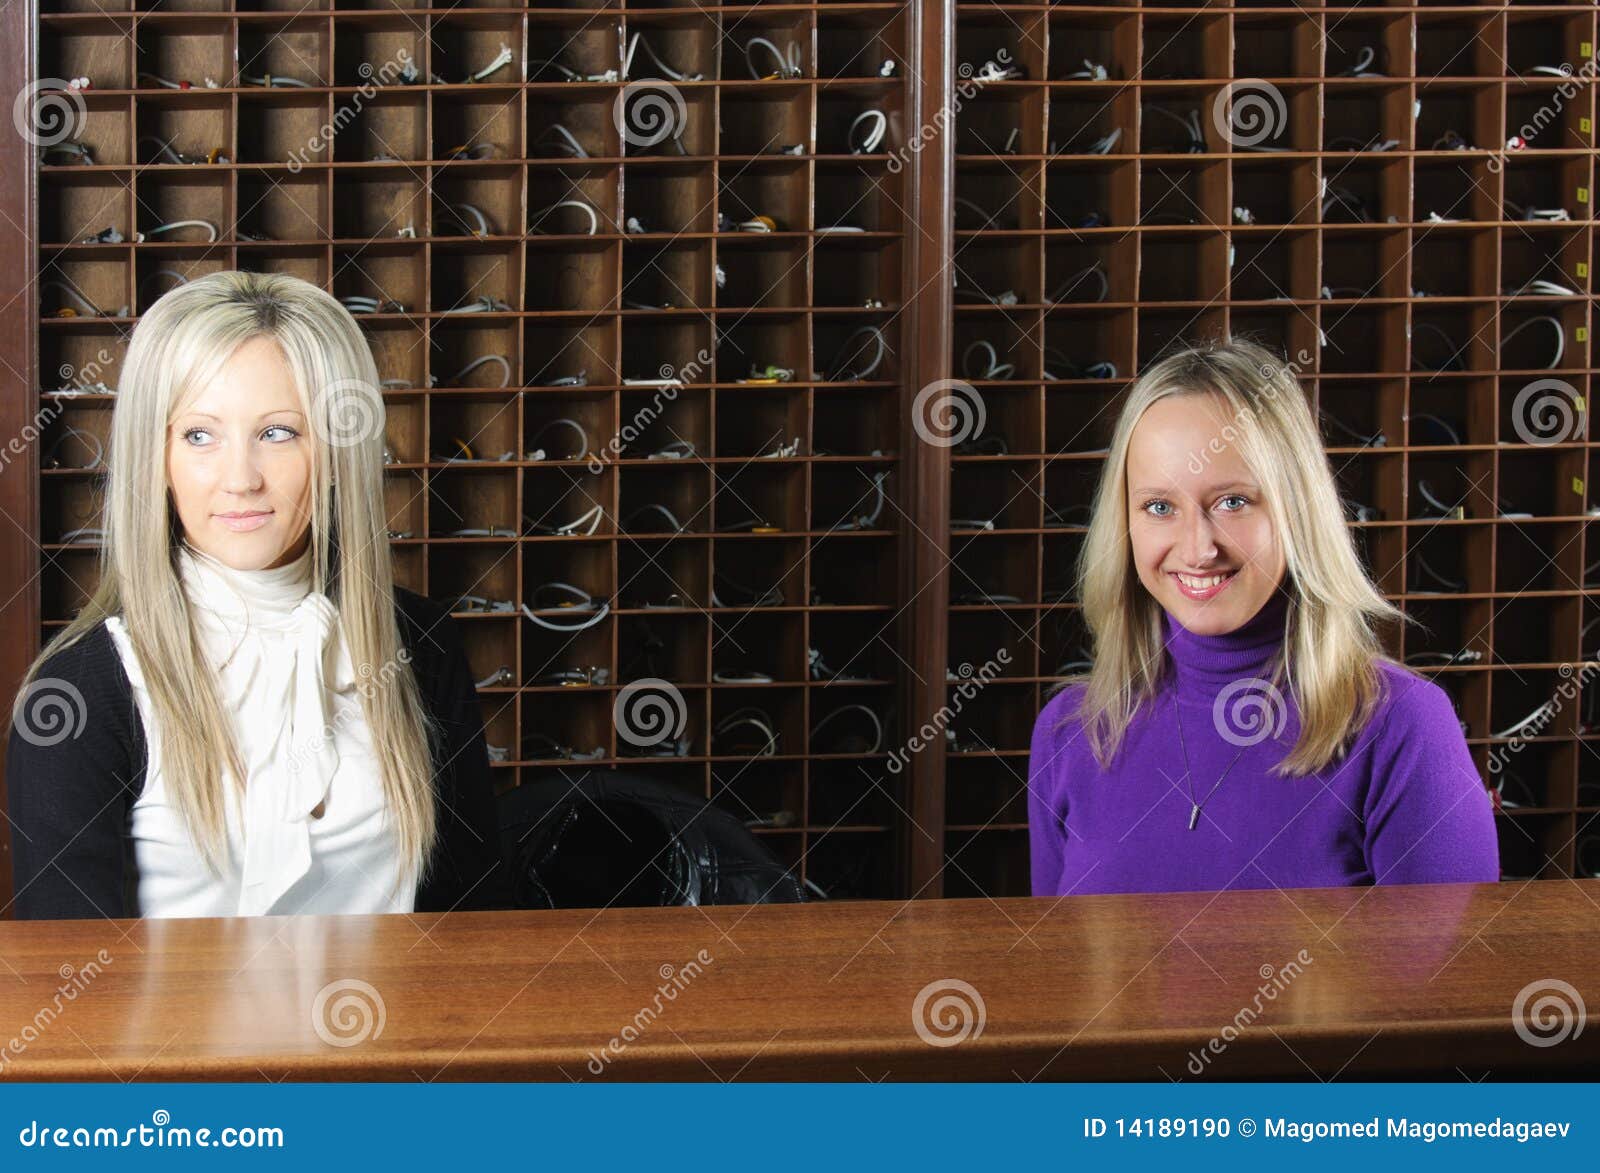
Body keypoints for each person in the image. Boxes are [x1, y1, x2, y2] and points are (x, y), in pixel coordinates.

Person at [6, 270, 509, 919]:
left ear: (334, 451)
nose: (240, 479)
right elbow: (68, 991)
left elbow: (476, 923)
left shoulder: (421, 642)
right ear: (155, 457)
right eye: (199, 435)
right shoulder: (80, 691)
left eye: (278, 432)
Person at [1028, 337, 1499, 896]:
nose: (1198, 548)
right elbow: (1062, 976)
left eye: (1232, 502)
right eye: (1159, 507)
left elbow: (1447, 980)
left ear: (1297, 509)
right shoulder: (1069, 732)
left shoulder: (1401, 726)